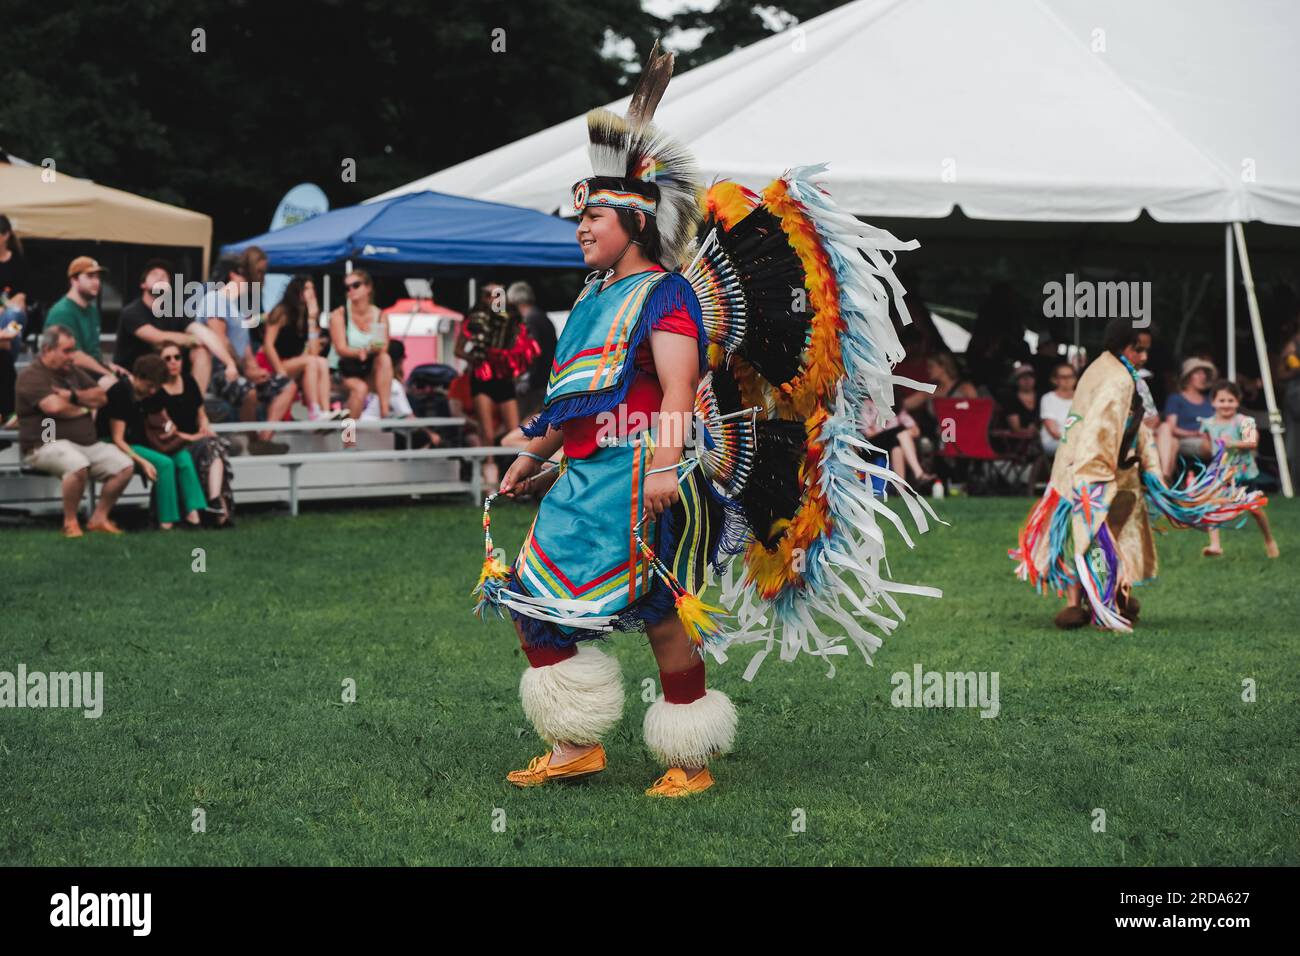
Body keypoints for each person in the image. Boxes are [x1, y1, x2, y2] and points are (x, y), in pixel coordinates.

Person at [473, 44, 941, 799]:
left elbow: (679, 393)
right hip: (584, 475)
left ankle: (689, 757)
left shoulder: (667, 296)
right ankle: (573, 745)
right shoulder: (590, 297)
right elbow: (572, 397)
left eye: (591, 216)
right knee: (532, 601)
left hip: (648, 475)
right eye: (579, 217)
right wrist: (534, 452)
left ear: (632, 220)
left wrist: (662, 467)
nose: (580, 228)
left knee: (661, 612)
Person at [1012, 321, 1263, 631]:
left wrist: (1153, 471)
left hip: (1109, 470)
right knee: (1097, 539)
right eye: (1138, 349)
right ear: (1120, 345)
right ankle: (1099, 604)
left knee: (1101, 538)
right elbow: (1099, 430)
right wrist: (1100, 476)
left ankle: (1103, 599)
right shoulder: (1116, 378)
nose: (1143, 356)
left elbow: (1141, 427)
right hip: (1096, 473)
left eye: (1146, 350)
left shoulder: (1109, 371)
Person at [15, 325, 134, 537]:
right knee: (77, 465)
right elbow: (53, 407)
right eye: (66, 351)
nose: (72, 357)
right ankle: (70, 522)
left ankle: (99, 518)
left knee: (124, 466)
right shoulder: (31, 376)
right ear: (47, 350)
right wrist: (86, 406)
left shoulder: (73, 372)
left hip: (86, 444)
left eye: (73, 350)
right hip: (44, 444)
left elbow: (102, 397)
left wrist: (73, 397)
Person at [199, 256, 294, 455]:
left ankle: (263, 439)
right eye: (245, 275)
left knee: (287, 385)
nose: (251, 280)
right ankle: (252, 439)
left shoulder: (235, 305)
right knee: (249, 391)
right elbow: (220, 341)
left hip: (239, 369)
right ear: (232, 275)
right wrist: (246, 370)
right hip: (220, 370)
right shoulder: (214, 299)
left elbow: (245, 346)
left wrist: (254, 369)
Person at [101, 354, 207, 530]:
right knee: (164, 464)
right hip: (120, 444)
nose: (152, 391)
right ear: (138, 377)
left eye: (156, 387)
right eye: (150, 386)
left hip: (148, 442)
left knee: (183, 458)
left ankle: (193, 514)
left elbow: (164, 420)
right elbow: (117, 438)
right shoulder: (120, 393)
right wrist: (143, 462)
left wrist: (169, 429)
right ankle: (166, 521)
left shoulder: (155, 393)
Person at [454, 282, 539, 486]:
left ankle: (521, 481)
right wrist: (473, 358)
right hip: (482, 379)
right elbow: (458, 350)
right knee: (488, 434)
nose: (493, 299)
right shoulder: (474, 321)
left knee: (515, 431)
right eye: (488, 295)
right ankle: (489, 485)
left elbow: (525, 347)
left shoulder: (511, 320)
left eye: (497, 294)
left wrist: (514, 365)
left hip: (504, 380)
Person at [114, 260, 238, 387]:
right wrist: (192, 339)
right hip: (135, 376)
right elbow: (158, 338)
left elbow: (203, 332)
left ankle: (195, 403)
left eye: (164, 276)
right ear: (143, 284)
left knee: (201, 351)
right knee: (170, 351)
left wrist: (229, 363)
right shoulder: (131, 312)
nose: (160, 277)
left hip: (171, 375)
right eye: (154, 274)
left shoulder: (176, 311)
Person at [157, 343, 234, 527]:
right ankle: (218, 507)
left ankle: (215, 502)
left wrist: (205, 428)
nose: (174, 362)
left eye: (177, 357)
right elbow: (167, 429)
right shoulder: (158, 392)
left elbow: (201, 414)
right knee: (214, 447)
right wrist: (195, 438)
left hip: (197, 439)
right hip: (176, 443)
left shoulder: (190, 382)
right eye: (168, 359)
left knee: (214, 446)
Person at [1200, 380, 1278, 559]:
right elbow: (1206, 445)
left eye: (1230, 400)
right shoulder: (1208, 423)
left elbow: (1252, 443)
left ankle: (1269, 540)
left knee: (1254, 509)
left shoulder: (1245, 421)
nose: (1226, 404)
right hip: (1222, 473)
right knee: (1213, 505)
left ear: (1238, 401)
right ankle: (1215, 545)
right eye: (1221, 400)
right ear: (1213, 402)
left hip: (1244, 472)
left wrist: (1232, 443)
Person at [262, 275, 335, 420]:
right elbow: (268, 345)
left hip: (295, 363)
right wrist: (280, 372)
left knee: (321, 362)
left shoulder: (308, 316)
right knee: (312, 362)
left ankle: (325, 411)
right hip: (274, 363)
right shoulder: (282, 312)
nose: (311, 292)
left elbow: (314, 352)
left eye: (312, 288)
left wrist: (312, 319)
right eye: (307, 288)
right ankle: (314, 410)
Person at [329, 269, 393, 426]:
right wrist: (360, 352)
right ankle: (348, 442)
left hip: (365, 369)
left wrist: (371, 349)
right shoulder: (339, 314)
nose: (350, 290)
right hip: (341, 370)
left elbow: (382, 348)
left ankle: (385, 412)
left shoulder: (379, 315)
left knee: (384, 359)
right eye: (347, 287)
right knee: (360, 389)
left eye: (355, 285)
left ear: (368, 287)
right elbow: (341, 348)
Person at [45, 257, 116, 378]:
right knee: (119, 387)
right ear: (74, 280)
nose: (96, 282)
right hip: (70, 374)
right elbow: (74, 356)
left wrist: (109, 367)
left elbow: (93, 352)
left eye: (98, 277)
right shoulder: (62, 312)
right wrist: (108, 373)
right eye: (90, 276)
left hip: (89, 372)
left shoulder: (92, 310)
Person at [1156, 357, 1216, 479]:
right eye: (1198, 373)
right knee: (1211, 447)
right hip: (1184, 440)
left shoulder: (1209, 401)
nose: (1203, 376)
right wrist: (1196, 433)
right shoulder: (1176, 399)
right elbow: (1171, 428)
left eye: (1204, 373)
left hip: (1212, 437)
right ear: (1188, 377)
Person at [508, 280, 556, 420]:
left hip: (535, 384)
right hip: (545, 380)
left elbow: (532, 354)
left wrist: (524, 379)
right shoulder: (542, 317)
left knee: (525, 424)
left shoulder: (530, 320)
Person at [0, 213, 29, 420]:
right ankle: (5, 343)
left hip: (14, 322)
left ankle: (6, 341)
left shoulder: (17, 261)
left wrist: (5, 306)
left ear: (6, 235)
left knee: (15, 314)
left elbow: (21, 296)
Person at [1038, 360, 1077, 455]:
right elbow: (1054, 432)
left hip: (1078, 442)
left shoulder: (1082, 397)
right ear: (1054, 380)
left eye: (1070, 376)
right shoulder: (1048, 398)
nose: (1067, 380)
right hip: (1054, 442)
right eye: (1063, 377)